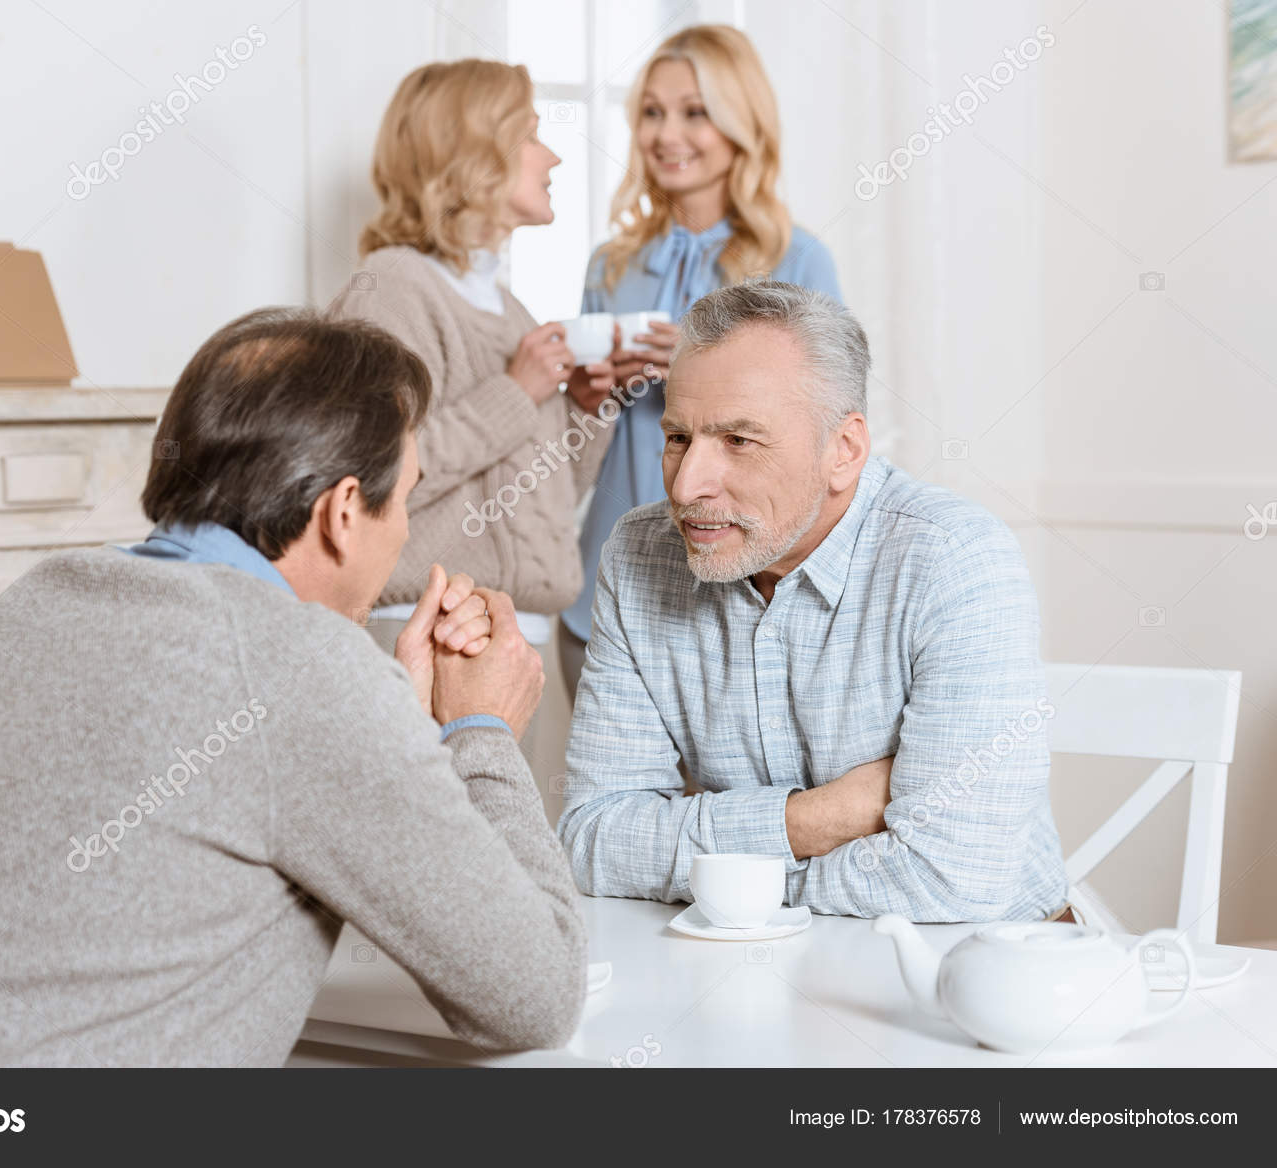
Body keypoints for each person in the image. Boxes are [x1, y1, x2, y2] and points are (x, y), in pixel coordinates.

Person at [0, 309, 585, 1067]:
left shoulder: (37, 600)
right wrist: (479, 728)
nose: (408, 531)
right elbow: (536, 996)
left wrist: (387, 717)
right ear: (343, 511)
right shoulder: (304, 672)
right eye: (407, 497)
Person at [559, 281, 1068, 923]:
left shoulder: (954, 560)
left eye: (739, 442)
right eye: (679, 437)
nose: (688, 485)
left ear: (844, 451)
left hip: (979, 986)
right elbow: (592, 841)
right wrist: (821, 817)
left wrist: (725, 879)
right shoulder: (638, 555)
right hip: (763, 978)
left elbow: (953, 882)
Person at [560, 25, 843, 699]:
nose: (666, 134)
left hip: (743, 584)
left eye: (695, 111)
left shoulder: (799, 260)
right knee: (611, 799)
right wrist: (584, 394)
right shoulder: (613, 264)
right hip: (611, 573)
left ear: (740, 122)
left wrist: (693, 366)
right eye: (652, 113)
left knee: (722, 805)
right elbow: (578, 441)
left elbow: (822, 426)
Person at [330, 58, 618, 670]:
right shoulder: (392, 286)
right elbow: (371, 472)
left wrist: (586, 416)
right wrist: (518, 392)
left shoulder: (510, 309)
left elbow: (540, 496)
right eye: (532, 136)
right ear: (475, 153)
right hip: (427, 636)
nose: (553, 159)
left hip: (516, 635)